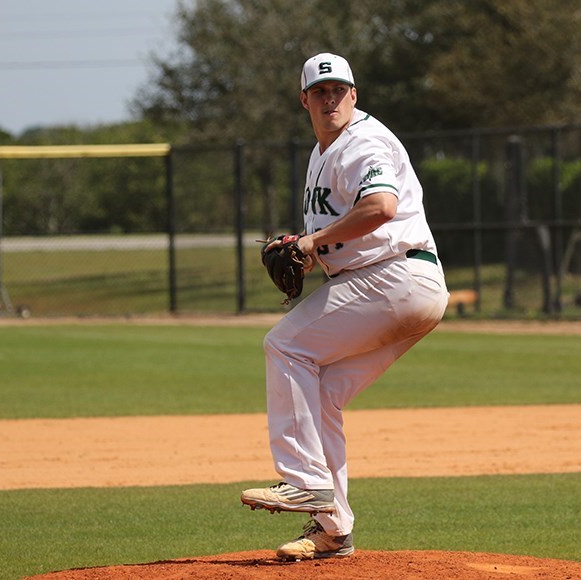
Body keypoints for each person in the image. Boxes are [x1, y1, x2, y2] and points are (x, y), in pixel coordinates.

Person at [240, 52, 449, 561]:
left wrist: (311, 244)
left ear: (354, 96)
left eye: (339, 91)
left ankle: (304, 481)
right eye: (320, 92)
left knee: (285, 345)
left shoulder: (363, 141)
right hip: (405, 286)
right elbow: (345, 226)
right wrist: (315, 247)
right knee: (324, 393)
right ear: (305, 100)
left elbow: (381, 208)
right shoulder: (322, 150)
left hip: (394, 277)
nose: (330, 99)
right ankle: (333, 530)